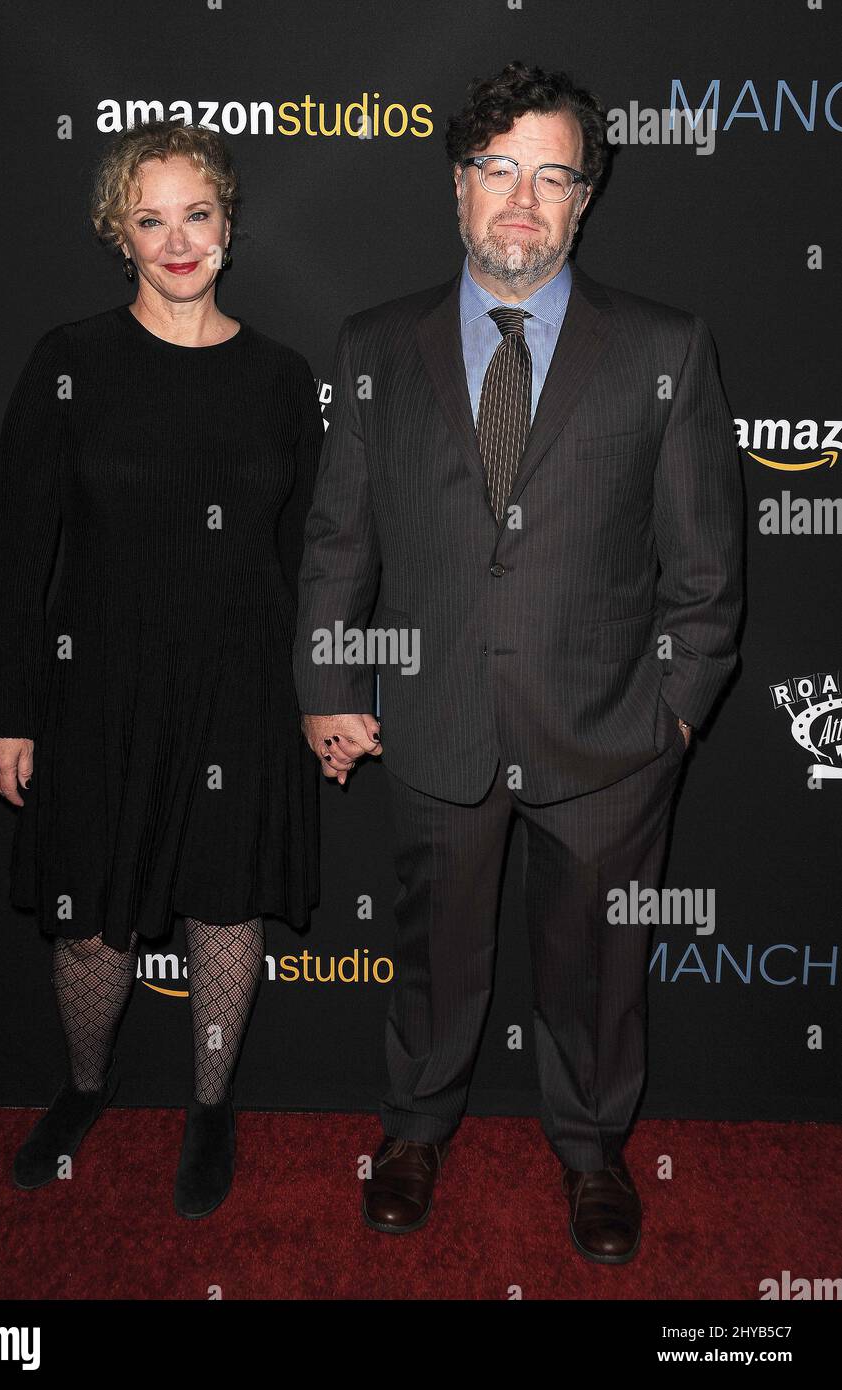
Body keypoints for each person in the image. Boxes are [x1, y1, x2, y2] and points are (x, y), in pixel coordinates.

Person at [293, 62, 743, 1261]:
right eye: (498, 170)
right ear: (456, 188)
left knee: (596, 968)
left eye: (552, 176)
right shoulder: (374, 344)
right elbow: (339, 541)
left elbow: (704, 573)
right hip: (432, 724)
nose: (522, 201)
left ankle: (592, 1151)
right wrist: (332, 685)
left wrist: (674, 724)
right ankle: (412, 1132)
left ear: (583, 200)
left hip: (606, 741)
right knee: (431, 953)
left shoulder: (662, 345)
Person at [0, 119, 323, 1218]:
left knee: (225, 910)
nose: (176, 240)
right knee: (88, 925)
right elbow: (20, 549)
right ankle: (83, 1086)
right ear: (118, 233)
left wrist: (328, 696)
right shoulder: (68, 362)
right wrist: (4, 711)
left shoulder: (279, 375)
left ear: (227, 225)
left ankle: (210, 1108)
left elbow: (309, 559)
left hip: (239, 687)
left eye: (195, 215)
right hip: (97, 685)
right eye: (149, 219)